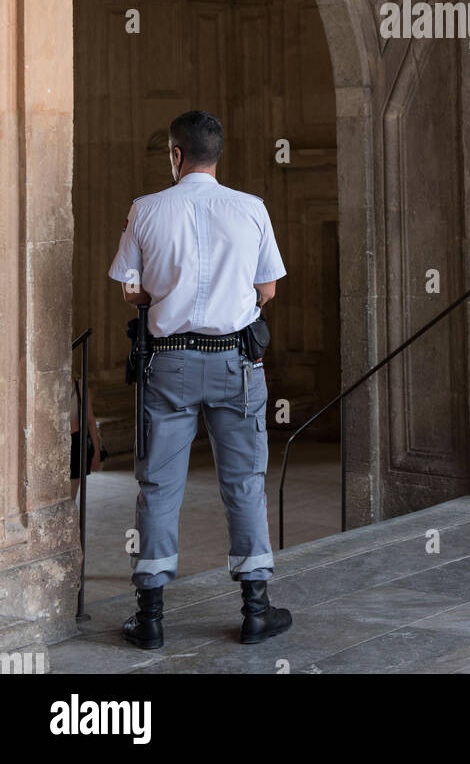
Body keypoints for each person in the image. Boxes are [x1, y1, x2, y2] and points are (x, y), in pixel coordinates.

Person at [108, 109, 291, 650]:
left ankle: (151, 618)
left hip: (170, 364)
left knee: (159, 485)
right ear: (218, 155)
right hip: (236, 364)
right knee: (244, 482)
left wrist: (169, 292)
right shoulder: (252, 208)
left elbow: (131, 291)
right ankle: (256, 610)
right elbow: (269, 289)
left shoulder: (145, 209)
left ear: (175, 154)